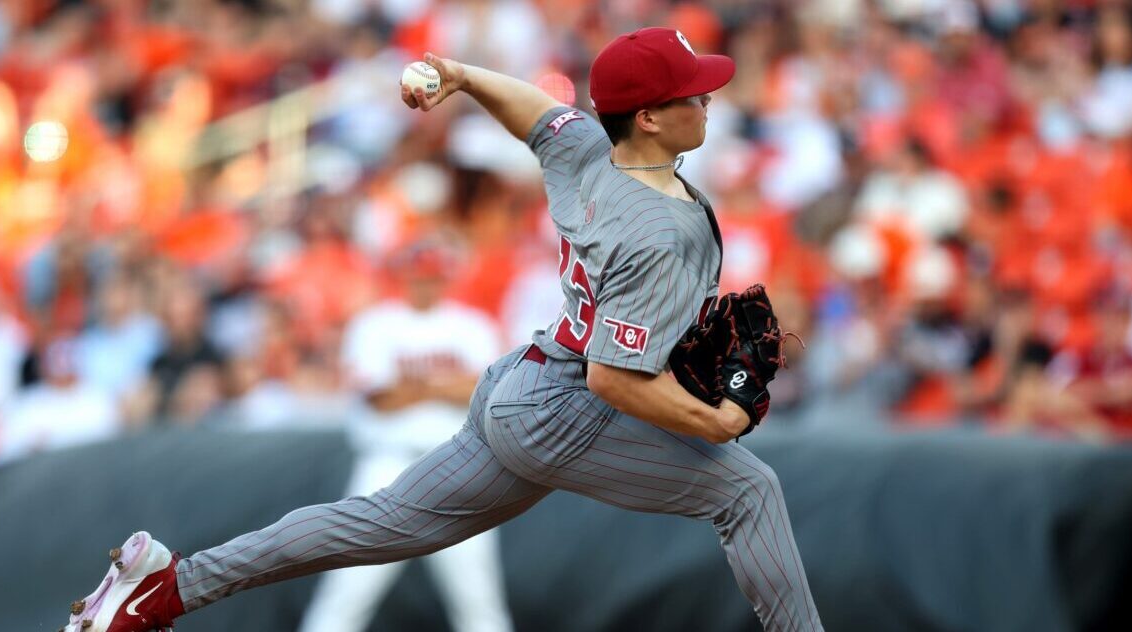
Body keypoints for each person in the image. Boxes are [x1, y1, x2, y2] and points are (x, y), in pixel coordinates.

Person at [61, 27, 823, 632]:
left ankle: (165, 587)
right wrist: (714, 422)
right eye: (693, 94)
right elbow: (615, 378)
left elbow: (535, 112)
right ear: (649, 117)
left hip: (527, 383)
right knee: (748, 491)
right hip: (570, 408)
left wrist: (459, 74)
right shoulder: (655, 231)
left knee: (378, 523)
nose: (708, 100)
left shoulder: (589, 149)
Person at [297, 240, 514, 632]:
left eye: (432, 276)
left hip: (456, 468)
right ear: (403, 277)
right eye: (418, 276)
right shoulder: (375, 324)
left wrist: (415, 385)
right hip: (388, 466)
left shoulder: (472, 325)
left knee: (478, 598)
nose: (424, 284)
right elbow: (381, 398)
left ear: (445, 278)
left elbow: (482, 391)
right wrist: (446, 384)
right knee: (348, 590)